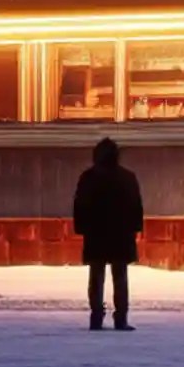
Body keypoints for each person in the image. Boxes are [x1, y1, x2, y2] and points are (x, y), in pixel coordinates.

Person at [72, 137, 144, 331]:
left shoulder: (88, 177)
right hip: (121, 234)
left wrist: (81, 228)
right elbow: (135, 206)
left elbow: (80, 205)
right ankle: (121, 318)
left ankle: (96, 316)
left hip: (96, 234)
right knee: (120, 276)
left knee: (96, 276)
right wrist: (136, 228)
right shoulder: (127, 177)